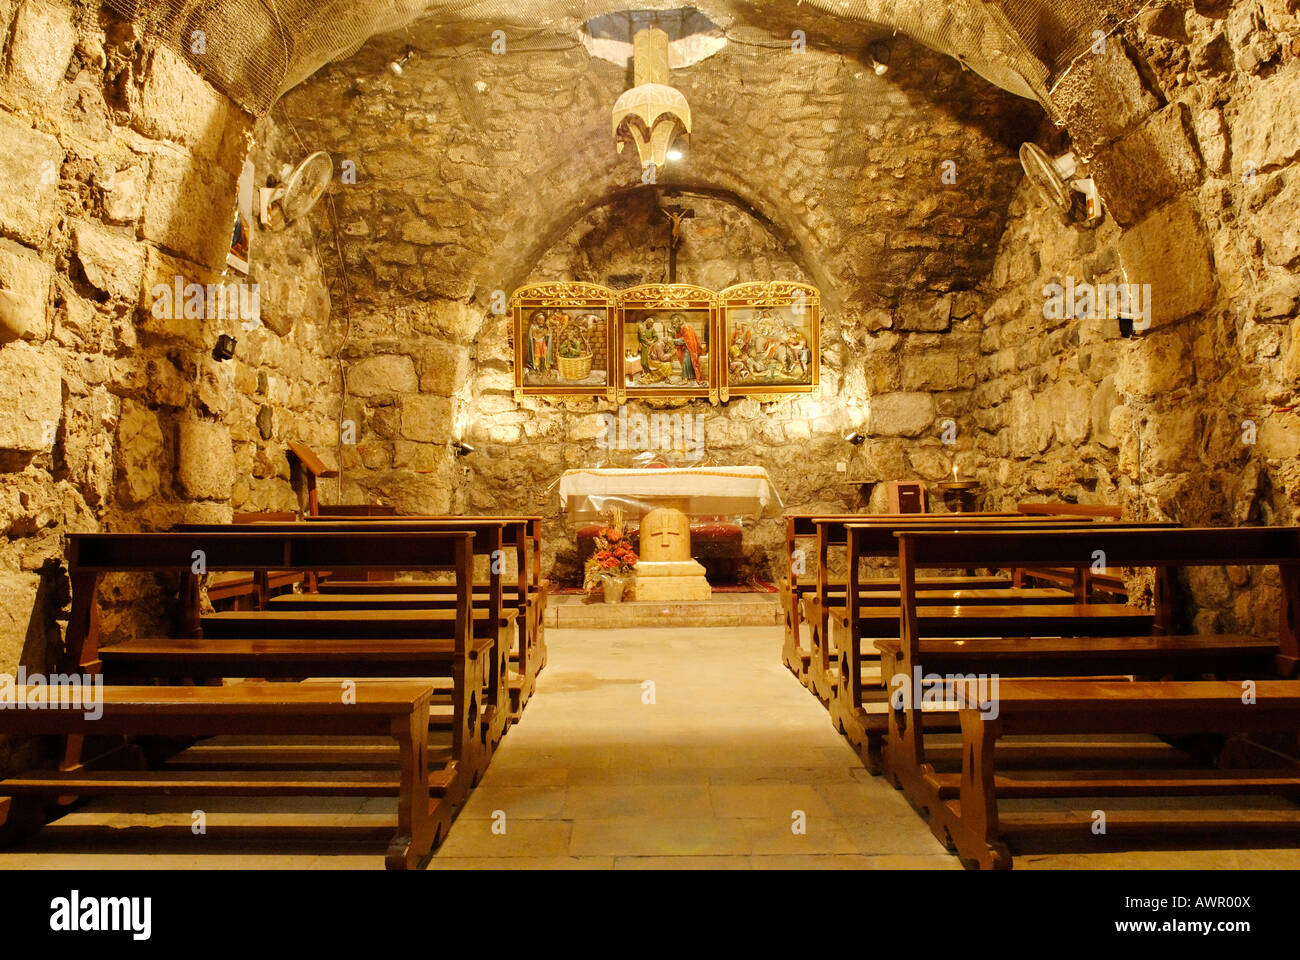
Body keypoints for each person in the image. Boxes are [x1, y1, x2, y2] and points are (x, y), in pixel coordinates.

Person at [672, 314, 703, 384]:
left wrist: (674, 341)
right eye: (672, 324)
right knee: (685, 360)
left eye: (674, 323)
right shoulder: (679, 329)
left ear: (678, 322)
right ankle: (691, 376)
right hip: (686, 347)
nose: (673, 325)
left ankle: (685, 379)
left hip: (691, 347)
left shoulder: (685, 327)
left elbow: (686, 340)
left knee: (685, 361)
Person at [528, 310, 553, 375]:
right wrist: (543, 334)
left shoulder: (544, 327)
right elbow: (534, 336)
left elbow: (548, 334)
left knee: (545, 356)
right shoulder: (534, 327)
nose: (542, 321)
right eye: (540, 320)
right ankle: (538, 370)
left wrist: (548, 327)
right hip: (537, 344)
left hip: (543, 343)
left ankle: (547, 369)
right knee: (537, 356)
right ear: (537, 320)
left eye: (543, 320)